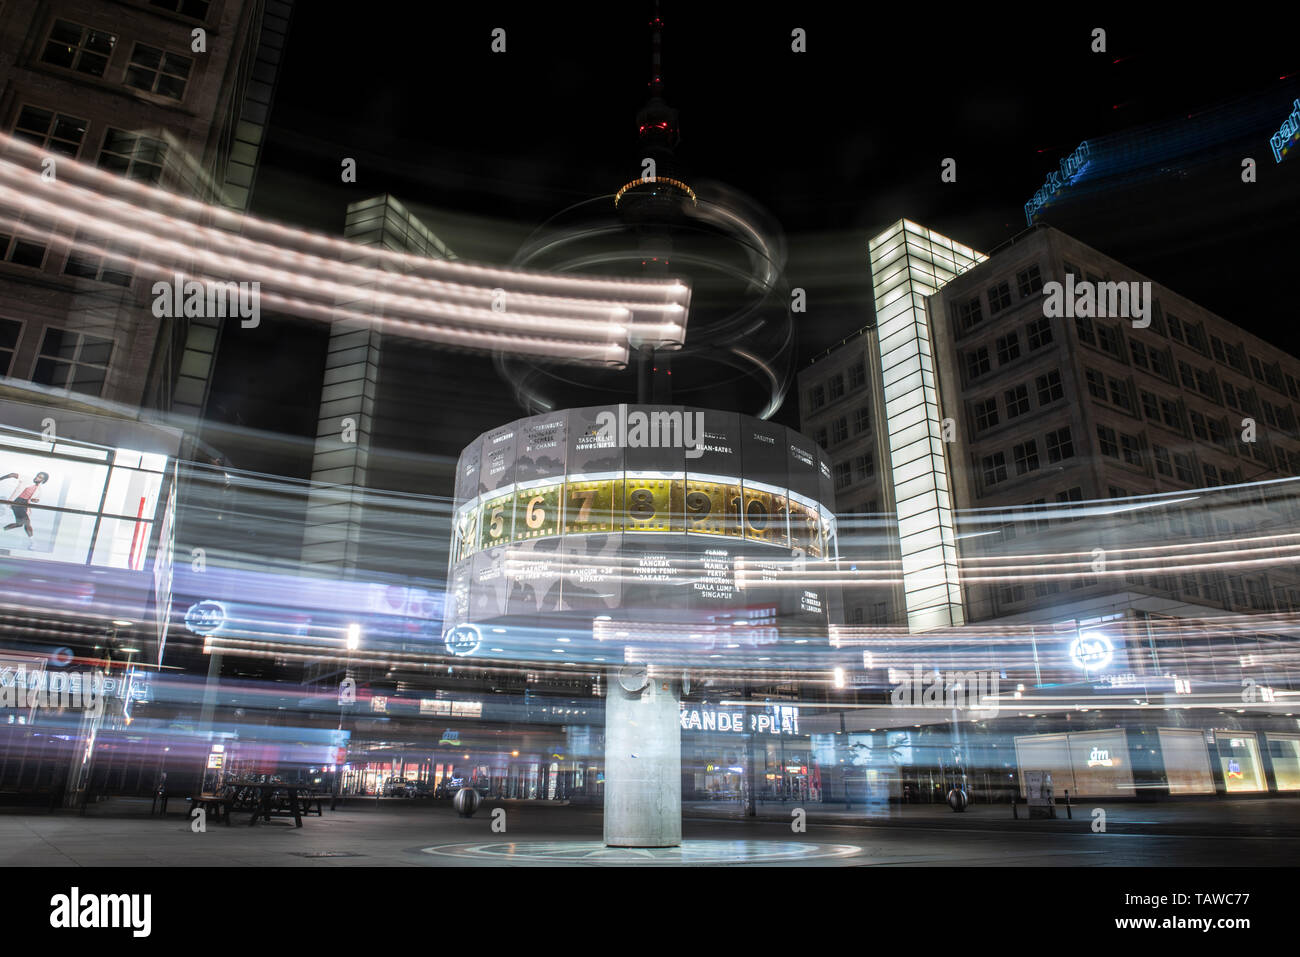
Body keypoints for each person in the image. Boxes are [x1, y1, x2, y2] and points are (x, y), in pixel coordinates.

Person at [2, 471, 49, 548]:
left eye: (40, 477)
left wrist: (35, 500)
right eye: (37, 476)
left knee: (19, 524)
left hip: (25, 505)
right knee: (27, 522)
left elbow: (37, 499)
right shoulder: (27, 479)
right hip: (17, 502)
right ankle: (33, 542)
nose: (37, 478)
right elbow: (12, 474)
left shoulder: (39, 490)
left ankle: (2, 530)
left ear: (43, 481)